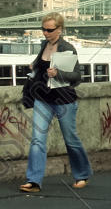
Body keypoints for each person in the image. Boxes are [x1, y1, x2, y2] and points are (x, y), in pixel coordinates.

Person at [19, 13, 92, 194]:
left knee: (70, 139)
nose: (45, 33)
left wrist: (58, 74)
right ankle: (34, 181)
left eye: (49, 30)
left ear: (59, 30)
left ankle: (82, 174)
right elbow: (40, 66)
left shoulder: (67, 48)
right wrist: (34, 67)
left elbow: (76, 77)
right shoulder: (44, 45)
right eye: (43, 29)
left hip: (64, 100)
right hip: (43, 100)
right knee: (37, 139)